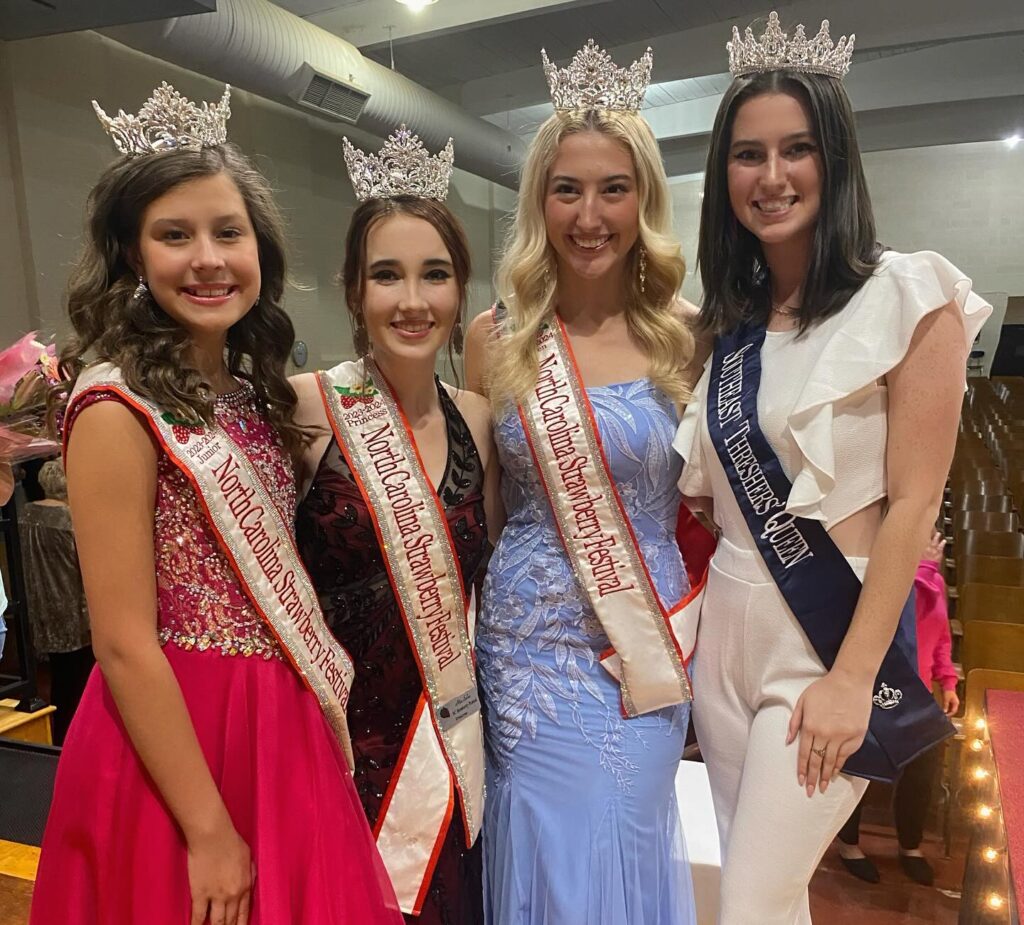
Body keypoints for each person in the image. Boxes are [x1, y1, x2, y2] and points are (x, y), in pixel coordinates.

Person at [30, 82, 401, 925]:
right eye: (174, 235)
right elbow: (122, 643)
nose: (207, 258)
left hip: (281, 727)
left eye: (227, 232)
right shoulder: (114, 408)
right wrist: (208, 829)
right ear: (132, 254)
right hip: (176, 739)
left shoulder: (253, 392)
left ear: (259, 250)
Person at [673, 12, 992, 923]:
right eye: (747, 154)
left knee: (748, 904)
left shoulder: (911, 294)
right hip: (726, 632)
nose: (772, 177)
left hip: (828, 630)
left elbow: (914, 501)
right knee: (760, 895)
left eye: (798, 149)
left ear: (836, 160)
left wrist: (854, 679)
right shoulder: (724, 324)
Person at [465, 39, 703, 925]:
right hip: (524, 654)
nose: (590, 213)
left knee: (616, 837)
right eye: (568, 189)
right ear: (540, 202)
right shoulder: (498, 335)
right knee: (540, 847)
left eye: (614, 188)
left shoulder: (688, 333)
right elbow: (488, 499)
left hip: (634, 647)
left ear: (644, 198)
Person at [293, 125, 498, 924]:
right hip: (338, 757)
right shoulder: (304, 407)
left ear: (460, 289)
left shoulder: (479, 419)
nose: (412, 301)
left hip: (448, 748)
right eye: (387, 276)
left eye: (435, 275)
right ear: (354, 291)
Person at [836, 530, 959, 886]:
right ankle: (848, 844)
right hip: (880, 687)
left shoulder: (931, 579)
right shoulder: (886, 569)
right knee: (860, 768)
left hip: (920, 694)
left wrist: (948, 682)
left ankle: (911, 847)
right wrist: (921, 568)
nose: (932, 542)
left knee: (921, 774)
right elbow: (898, 613)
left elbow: (940, 637)